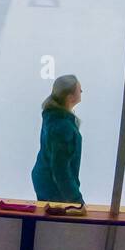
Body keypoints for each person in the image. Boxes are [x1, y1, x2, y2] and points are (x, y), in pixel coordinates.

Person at [30, 75, 84, 207]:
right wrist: (77, 201)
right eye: (79, 90)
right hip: (53, 187)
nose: (82, 92)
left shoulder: (53, 116)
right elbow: (60, 171)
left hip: (44, 179)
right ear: (70, 97)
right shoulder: (62, 127)